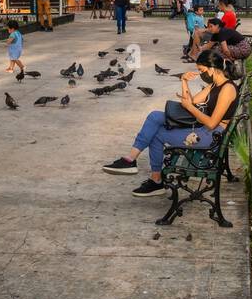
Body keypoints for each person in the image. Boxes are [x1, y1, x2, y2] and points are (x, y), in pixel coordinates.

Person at [101, 51, 239, 196]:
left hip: (211, 136)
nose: (200, 73)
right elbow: (190, 102)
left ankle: (155, 180)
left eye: (201, 70)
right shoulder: (214, 85)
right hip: (203, 129)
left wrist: (190, 107)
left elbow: (211, 123)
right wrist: (184, 81)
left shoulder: (227, 89)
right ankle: (130, 160)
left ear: (211, 68)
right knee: (154, 116)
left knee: (157, 135)